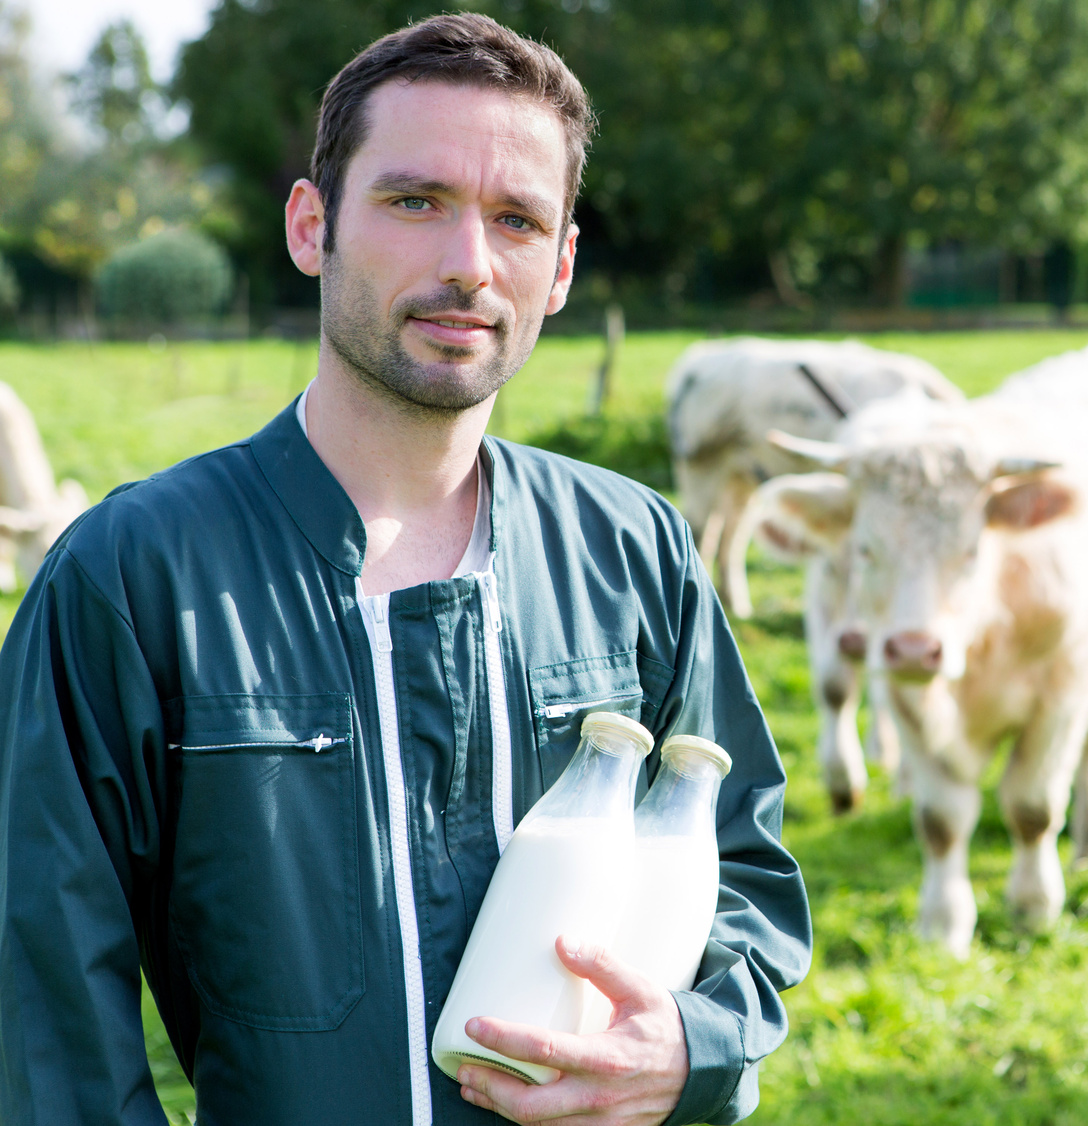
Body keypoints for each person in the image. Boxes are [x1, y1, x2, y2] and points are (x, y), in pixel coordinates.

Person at [0, 14, 810, 1126]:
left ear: (561, 267)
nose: (467, 265)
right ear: (310, 224)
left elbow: (742, 871)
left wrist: (695, 1044)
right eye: (414, 201)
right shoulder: (132, 575)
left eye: (517, 220)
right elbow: (44, 1010)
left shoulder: (636, 553)